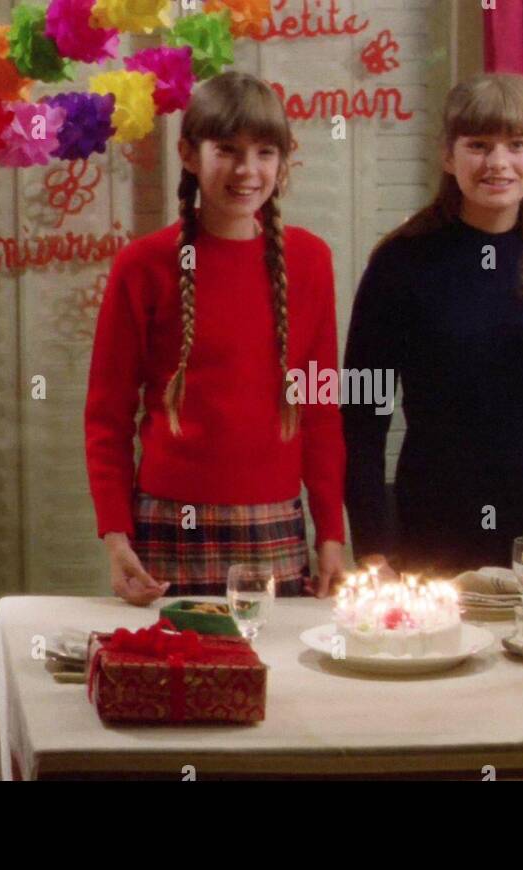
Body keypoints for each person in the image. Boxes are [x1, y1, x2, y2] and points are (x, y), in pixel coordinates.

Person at [342, 73, 523, 585]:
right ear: (449, 157)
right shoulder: (400, 265)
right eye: (478, 145)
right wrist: (372, 549)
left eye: (516, 145)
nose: (498, 163)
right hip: (434, 537)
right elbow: (363, 421)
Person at [85, 72, 346, 605]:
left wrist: (332, 535)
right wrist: (115, 537)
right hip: (167, 526)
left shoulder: (311, 261)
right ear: (188, 153)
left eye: (264, 152)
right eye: (226, 150)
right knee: (172, 680)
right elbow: (107, 415)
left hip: (277, 525)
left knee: (280, 684)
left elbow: (320, 412)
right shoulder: (144, 265)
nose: (247, 170)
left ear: (282, 160)